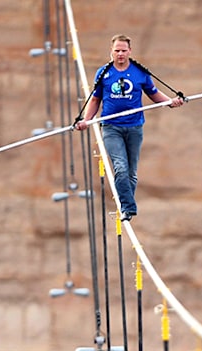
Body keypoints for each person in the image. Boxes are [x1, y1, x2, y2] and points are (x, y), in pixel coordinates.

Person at [75, 34, 184, 221]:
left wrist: (170, 102)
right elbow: (95, 99)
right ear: (111, 51)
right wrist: (86, 120)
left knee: (132, 173)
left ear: (130, 51)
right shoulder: (103, 73)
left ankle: (126, 205)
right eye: (116, 50)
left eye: (123, 50)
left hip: (134, 127)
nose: (120, 54)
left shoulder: (140, 72)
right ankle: (128, 208)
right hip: (111, 127)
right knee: (120, 168)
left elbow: (153, 93)